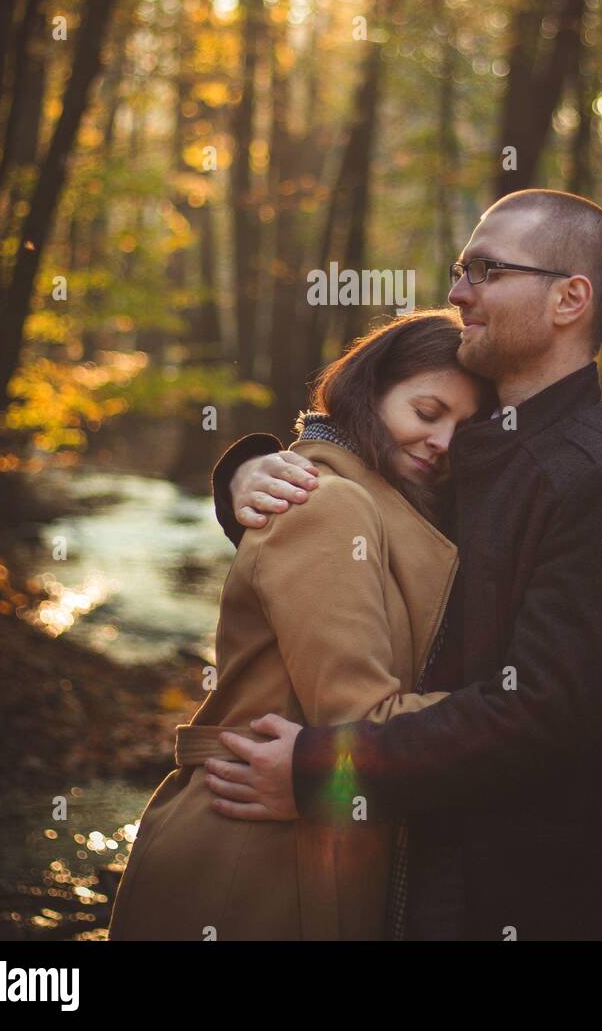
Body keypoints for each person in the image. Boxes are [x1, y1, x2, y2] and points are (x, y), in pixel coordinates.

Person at [205, 188, 602, 941]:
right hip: (409, 870)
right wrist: (247, 476)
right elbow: (349, 533)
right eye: (461, 268)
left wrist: (321, 771)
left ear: (569, 299)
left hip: (523, 892)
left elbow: (549, 712)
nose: (458, 292)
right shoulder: (474, 448)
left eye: (486, 270)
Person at [107, 310, 486, 941]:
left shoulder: (395, 508)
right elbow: (357, 718)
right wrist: (523, 720)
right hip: (250, 863)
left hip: (303, 846)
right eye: (426, 412)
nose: (443, 441)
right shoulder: (328, 503)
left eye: (463, 429)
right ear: (370, 394)